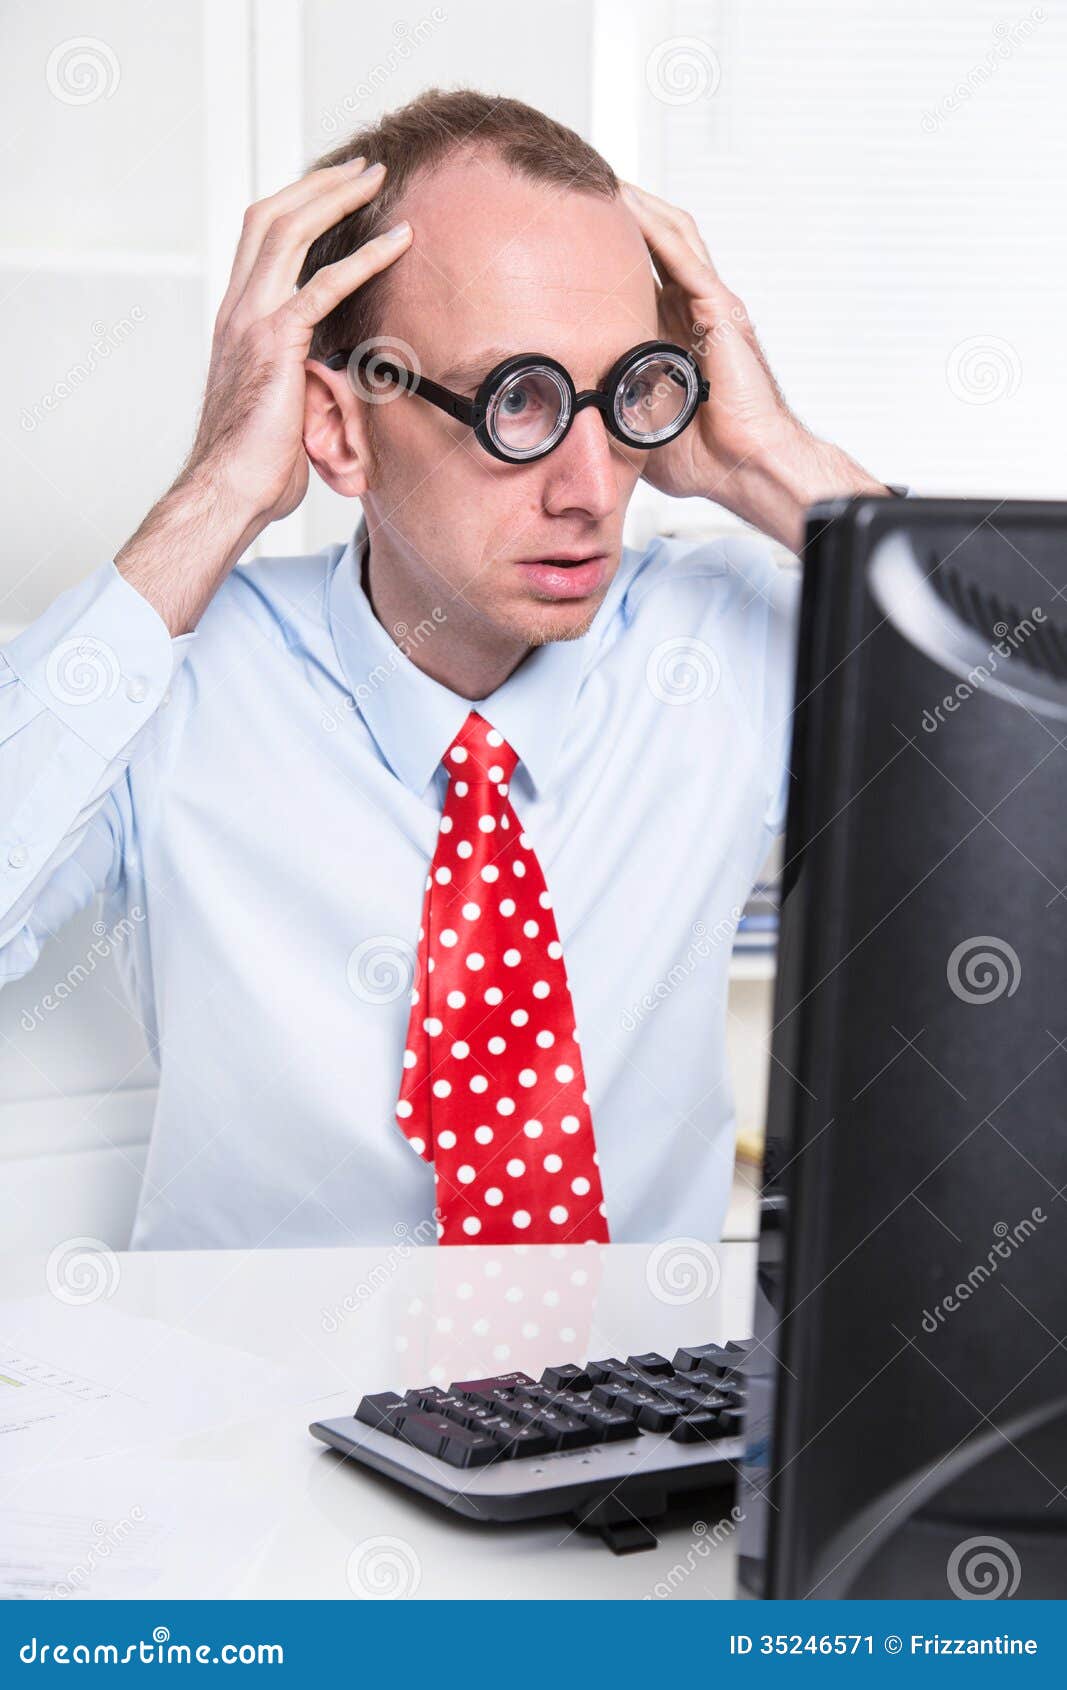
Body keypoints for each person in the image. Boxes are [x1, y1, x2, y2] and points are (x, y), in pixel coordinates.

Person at [0, 89, 893, 1250]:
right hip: (241, 1366)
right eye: (517, 401)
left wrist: (774, 463)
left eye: (629, 392)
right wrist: (216, 490)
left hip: (643, 1363)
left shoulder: (717, 643)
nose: (590, 490)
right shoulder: (170, 677)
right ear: (339, 426)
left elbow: (1032, 760)